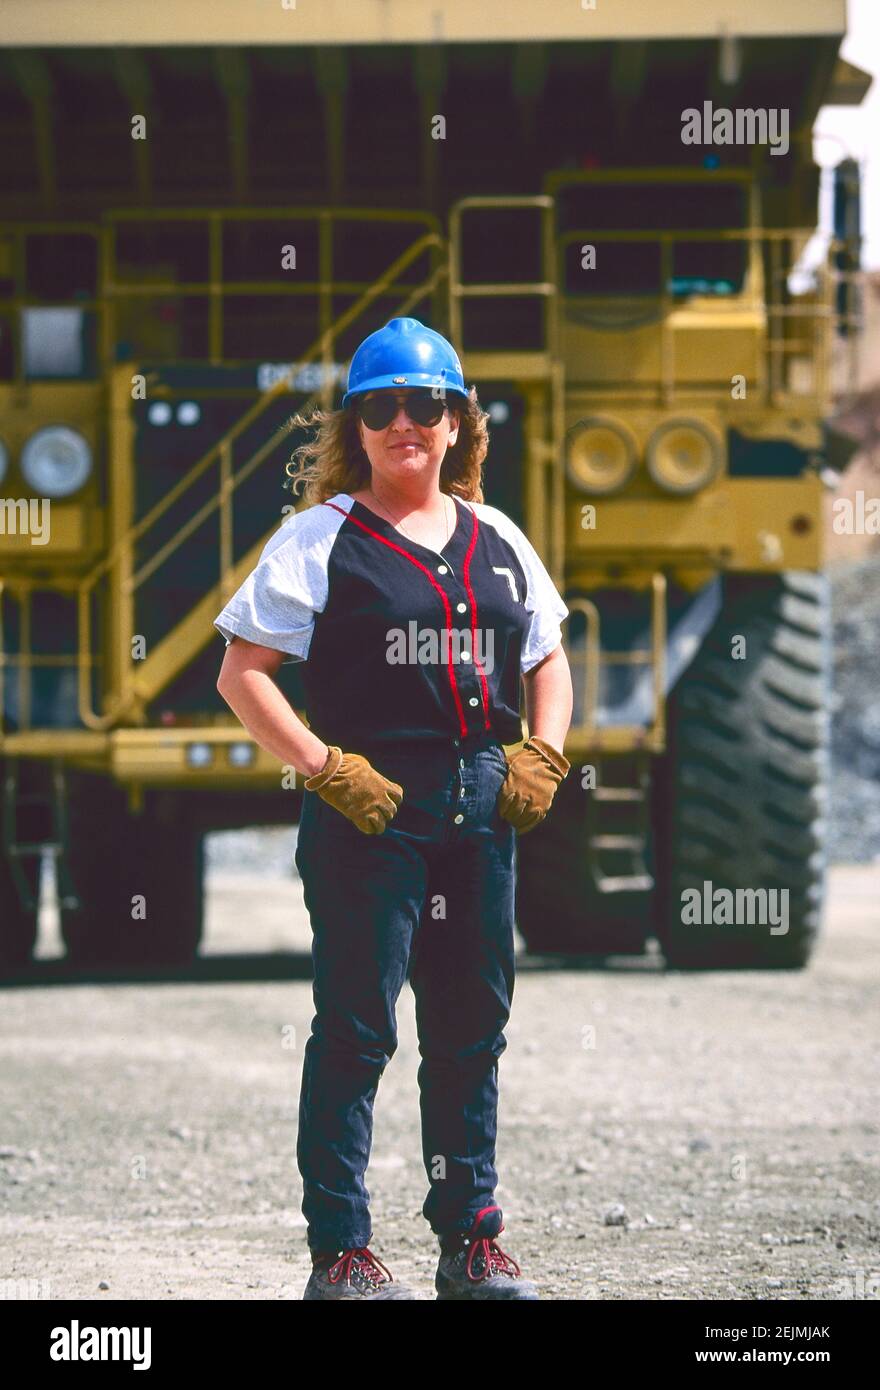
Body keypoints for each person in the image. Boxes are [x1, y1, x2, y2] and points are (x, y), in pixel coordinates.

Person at [214, 316, 573, 1300]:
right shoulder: (318, 541)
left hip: (478, 804)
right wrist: (324, 767)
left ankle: (471, 1240)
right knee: (357, 1030)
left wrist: (543, 749)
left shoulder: (498, 538)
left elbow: (548, 654)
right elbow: (243, 673)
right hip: (367, 811)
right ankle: (341, 1252)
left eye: (426, 405)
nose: (404, 422)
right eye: (382, 407)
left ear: (458, 422)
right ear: (358, 426)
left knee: (469, 1029)